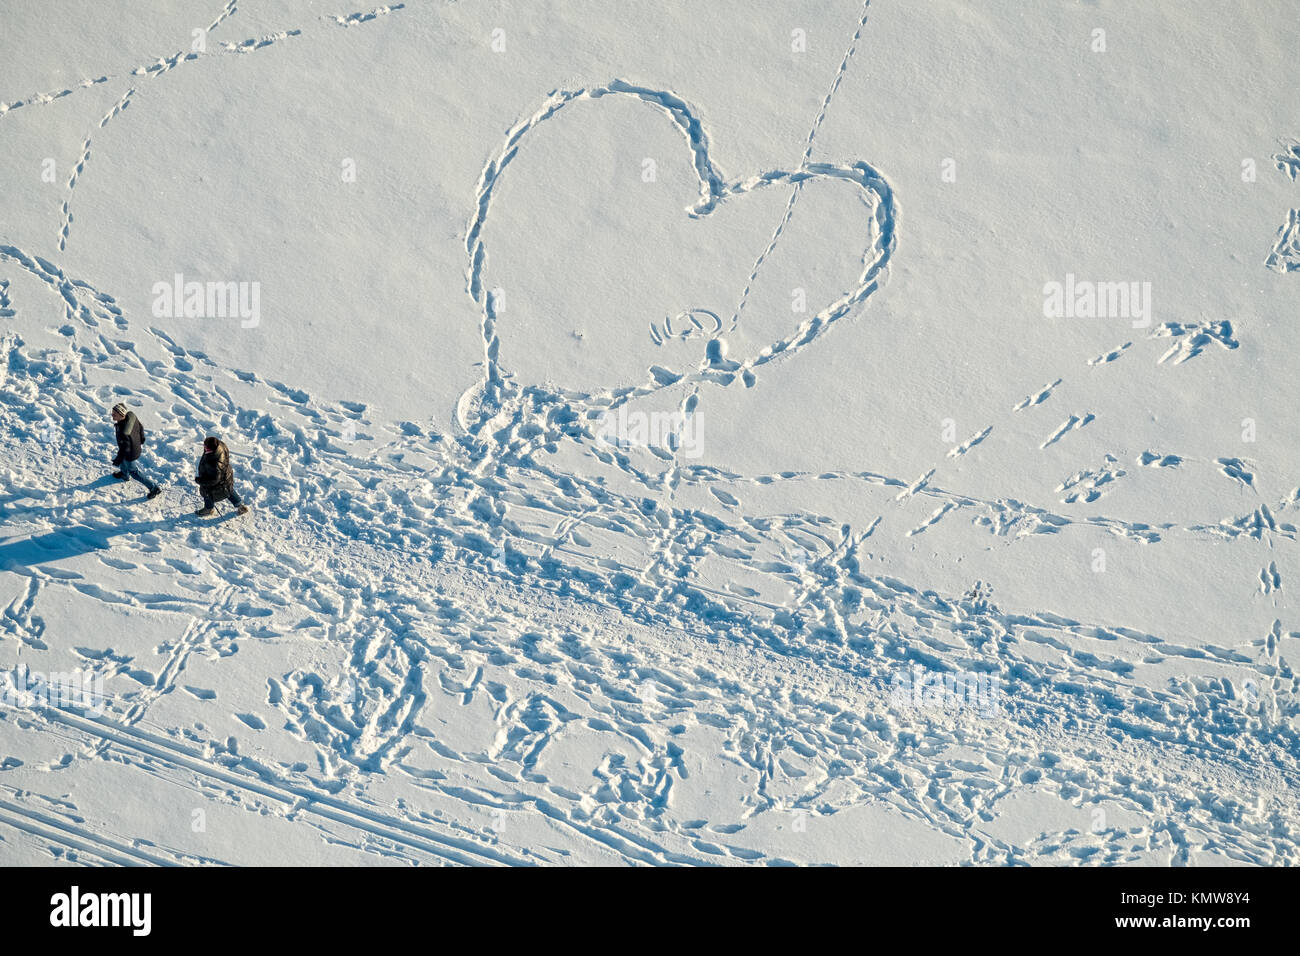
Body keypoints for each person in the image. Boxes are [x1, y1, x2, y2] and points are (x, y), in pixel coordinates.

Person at [110, 403, 162, 500]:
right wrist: (141, 438)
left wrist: (117, 460)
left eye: (114, 414)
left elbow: (124, 449)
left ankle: (154, 488)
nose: (112, 415)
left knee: (134, 472)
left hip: (130, 453)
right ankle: (124, 475)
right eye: (112, 413)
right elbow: (140, 426)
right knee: (123, 461)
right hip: (135, 446)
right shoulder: (131, 417)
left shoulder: (123, 431)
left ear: (121, 415)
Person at [194, 436, 249, 517]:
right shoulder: (220, 445)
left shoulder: (215, 464)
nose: (204, 448)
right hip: (225, 474)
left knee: (207, 492)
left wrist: (201, 481)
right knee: (228, 489)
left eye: (206, 447)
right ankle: (240, 505)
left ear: (211, 449)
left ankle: (208, 509)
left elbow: (213, 480)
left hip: (215, 477)